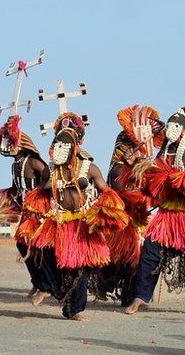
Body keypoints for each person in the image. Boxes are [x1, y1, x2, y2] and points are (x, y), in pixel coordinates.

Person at [24, 113, 128, 321]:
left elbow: (106, 191)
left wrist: (105, 211)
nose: (59, 149)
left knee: (80, 269)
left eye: (64, 145)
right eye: (57, 145)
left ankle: (75, 310)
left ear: (74, 147)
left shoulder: (89, 168)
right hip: (59, 223)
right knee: (41, 252)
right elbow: (41, 193)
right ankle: (52, 289)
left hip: (83, 226)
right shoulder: (50, 171)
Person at [88, 105, 162, 306]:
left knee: (138, 261)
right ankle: (109, 287)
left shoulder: (143, 168)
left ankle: (132, 294)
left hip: (139, 223)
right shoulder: (118, 169)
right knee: (121, 261)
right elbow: (123, 192)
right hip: (123, 224)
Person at [125, 106, 185, 314]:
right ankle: (140, 296)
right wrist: (139, 165)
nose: (171, 130)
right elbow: (153, 178)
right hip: (166, 217)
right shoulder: (166, 149)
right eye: (169, 126)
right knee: (150, 252)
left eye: (176, 126)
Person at [0, 114, 53, 302]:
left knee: (38, 247)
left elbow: (50, 178)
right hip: (27, 210)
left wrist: (40, 191)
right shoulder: (16, 165)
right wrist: (2, 202)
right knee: (22, 244)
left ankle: (46, 286)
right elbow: (17, 188)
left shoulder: (33, 162)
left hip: (40, 210)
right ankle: (38, 281)